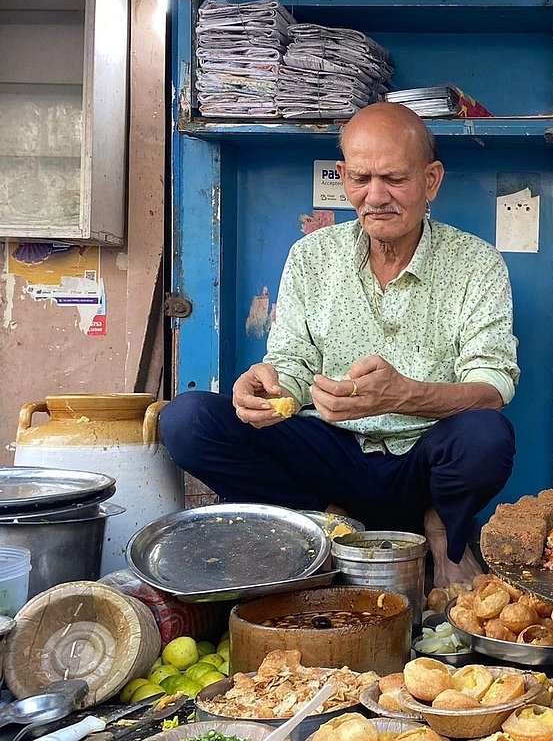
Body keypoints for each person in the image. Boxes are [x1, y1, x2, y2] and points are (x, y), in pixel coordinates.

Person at [160, 102, 520, 587]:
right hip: (331, 458)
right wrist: (268, 390)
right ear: (343, 176)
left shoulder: (477, 263)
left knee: (486, 436)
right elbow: (291, 363)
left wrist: (404, 395)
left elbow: (492, 386)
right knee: (187, 421)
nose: (376, 196)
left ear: (431, 181)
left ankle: (444, 530)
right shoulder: (312, 256)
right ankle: (326, 522)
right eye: (360, 178)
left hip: (422, 462)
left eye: (394, 178)